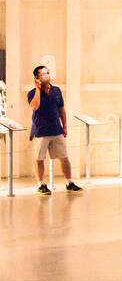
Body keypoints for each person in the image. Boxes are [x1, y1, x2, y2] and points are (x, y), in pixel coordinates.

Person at [27, 65, 82, 195]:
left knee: (64, 157)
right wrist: (37, 89)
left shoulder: (56, 91)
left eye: (48, 73)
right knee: (39, 159)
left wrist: (65, 125)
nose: (47, 76)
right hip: (41, 131)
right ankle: (41, 185)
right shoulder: (32, 93)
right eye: (43, 74)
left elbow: (61, 109)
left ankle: (69, 182)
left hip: (56, 130)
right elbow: (35, 106)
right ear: (37, 77)